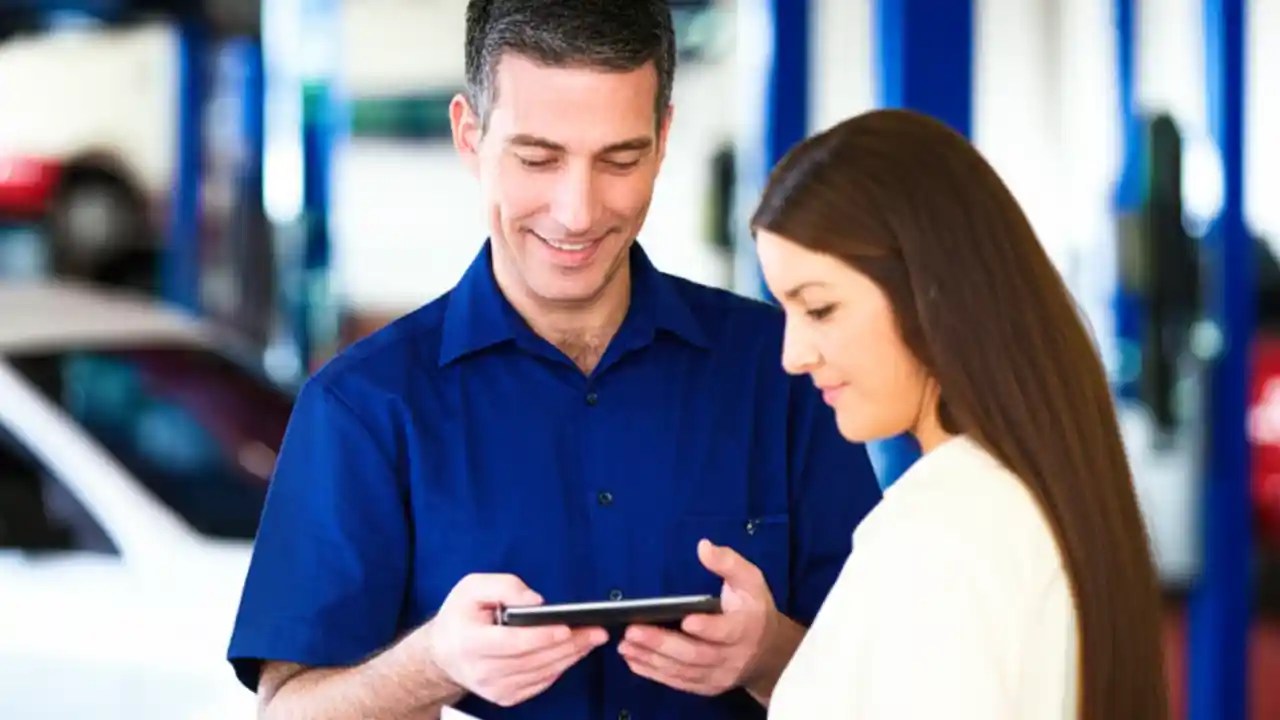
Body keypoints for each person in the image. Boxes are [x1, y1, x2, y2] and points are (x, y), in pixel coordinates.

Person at [226, 2, 882, 719]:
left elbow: (897, 685)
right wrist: (432, 663)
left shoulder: (785, 372)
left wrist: (768, 654)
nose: (577, 212)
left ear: (663, 139)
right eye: (538, 159)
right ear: (469, 134)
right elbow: (288, 710)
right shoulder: (363, 407)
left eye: (619, 160)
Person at [752, 109, 1168, 719]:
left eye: (819, 309)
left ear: (928, 290)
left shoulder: (936, 536)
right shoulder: (1036, 490)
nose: (793, 355)